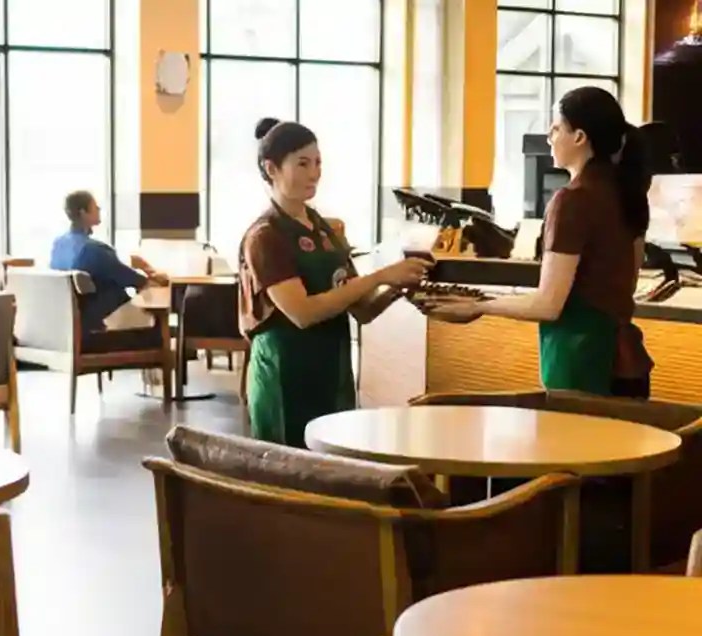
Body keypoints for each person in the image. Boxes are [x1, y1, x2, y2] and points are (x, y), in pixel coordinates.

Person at [434, 87, 652, 398]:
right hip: (627, 363)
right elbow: (624, 287)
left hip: (582, 365)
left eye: (556, 127)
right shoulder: (628, 194)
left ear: (579, 137)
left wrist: (477, 306)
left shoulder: (573, 201)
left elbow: (548, 304)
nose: (548, 135)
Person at [240, 118, 430, 447]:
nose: (314, 173)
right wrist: (381, 275)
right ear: (271, 169)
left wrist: (400, 286)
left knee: (333, 466)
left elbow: (362, 309)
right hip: (285, 372)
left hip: (331, 369)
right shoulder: (265, 236)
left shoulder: (324, 229)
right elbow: (303, 313)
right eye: (302, 163)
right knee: (289, 473)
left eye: (318, 163)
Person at [49, 190, 169, 332]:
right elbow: (135, 280)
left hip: (72, 326)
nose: (99, 210)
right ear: (83, 213)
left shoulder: (59, 244)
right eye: (95, 207)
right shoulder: (93, 250)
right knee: (159, 320)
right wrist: (156, 276)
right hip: (103, 325)